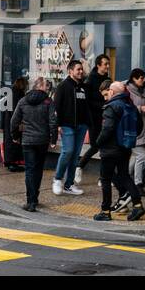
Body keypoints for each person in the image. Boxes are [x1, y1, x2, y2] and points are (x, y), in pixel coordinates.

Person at [92, 82, 145, 222]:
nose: (108, 92)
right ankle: (138, 205)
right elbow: (139, 127)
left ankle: (105, 211)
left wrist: (98, 143)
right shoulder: (131, 105)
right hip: (125, 147)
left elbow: (107, 129)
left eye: (109, 90)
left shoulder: (112, 107)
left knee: (105, 179)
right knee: (125, 176)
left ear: (113, 92)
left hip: (110, 149)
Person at [11, 76, 57, 211]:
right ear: (40, 87)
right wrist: (53, 139)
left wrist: (15, 136)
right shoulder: (48, 102)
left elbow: (14, 121)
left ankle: (30, 201)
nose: (47, 88)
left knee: (29, 170)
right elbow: (53, 122)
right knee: (38, 169)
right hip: (42, 141)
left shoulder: (23, 101)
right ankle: (35, 197)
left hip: (27, 141)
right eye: (46, 86)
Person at [52, 59, 90, 196]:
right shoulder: (63, 86)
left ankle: (69, 185)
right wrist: (57, 125)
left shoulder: (83, 87)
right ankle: (57, 179)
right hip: (67, 125)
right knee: (67, 151)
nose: (80, 71)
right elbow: (56, 107)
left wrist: (87, 123)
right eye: (78, 69)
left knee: (74, 156)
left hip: (81, 126)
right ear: (70, 71)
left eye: (81, 69)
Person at [77, 53, 113, 183]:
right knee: (96, 146)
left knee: (105, 147)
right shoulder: (91, 79)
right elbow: (87, 100)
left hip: (107, 117)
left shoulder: (108, 79)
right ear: (98, 65)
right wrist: (101, 105)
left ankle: (102, 177)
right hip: (94, 118)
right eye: (105, 64)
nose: (108, 67)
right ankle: (79, 166)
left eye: (108, 64)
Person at [125, 69, 145, 200]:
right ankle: (138, 183)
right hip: (135, 128)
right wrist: (140, 109)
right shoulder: (128, 91)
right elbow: (126, 108)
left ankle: (123, 176)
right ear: (133, 79)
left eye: (143, 78)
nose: (143, 80)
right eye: (140, 78)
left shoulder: (144, 91)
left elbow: (144, 104)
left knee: (136, 157)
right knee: (141, 156)